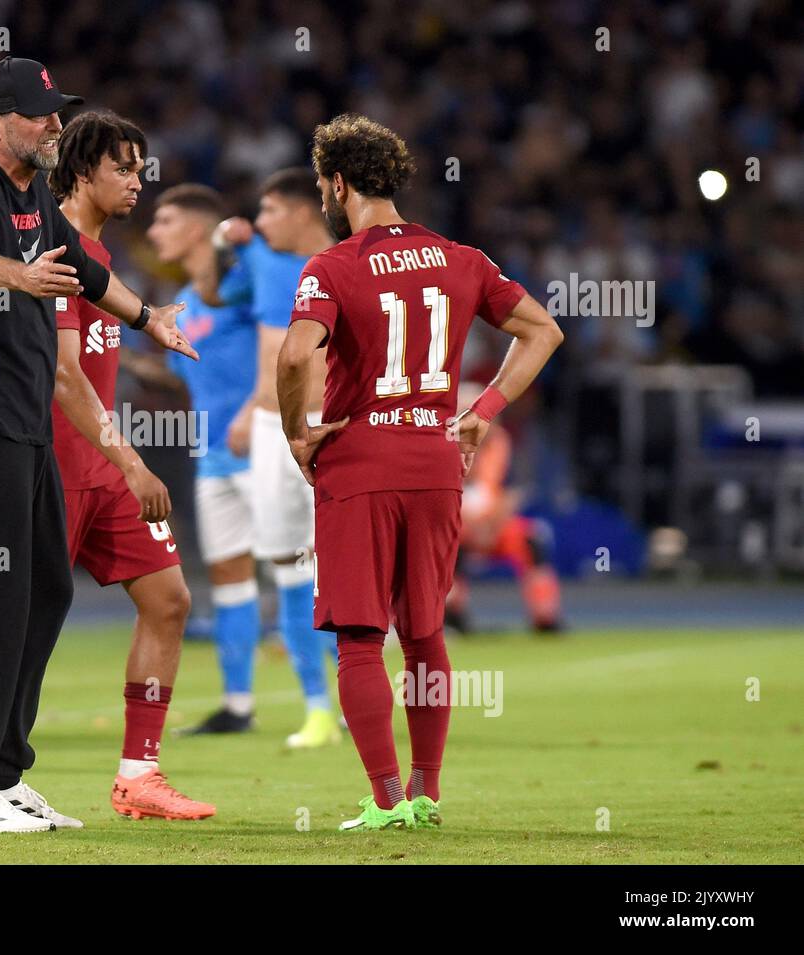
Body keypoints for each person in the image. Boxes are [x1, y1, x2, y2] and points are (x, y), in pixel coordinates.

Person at [0, 56, 194, 834]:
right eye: (40, 113)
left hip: (22, 426)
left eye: (55, 111)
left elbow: (77, 267)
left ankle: (4, 777)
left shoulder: (32, 190)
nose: (54, 124)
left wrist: (149, 322)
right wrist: (17, 275)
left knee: (46, 590)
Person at [276, 115, 563, 831]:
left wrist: (297, 431)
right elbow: (544, 329)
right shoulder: (462, 258)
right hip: (437, 459)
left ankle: (383, 800)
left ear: (338, 183)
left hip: (361, 457)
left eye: (321, 184)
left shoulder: (333, 266)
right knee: (426, 630)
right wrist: (485, 409)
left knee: (360, 634)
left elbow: (292, 356)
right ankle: (426, 791)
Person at [47, 110, 215, 820]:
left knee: (170, 598)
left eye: (141, 169)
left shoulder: (103, 260)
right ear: (82, 169)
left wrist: (149, 321)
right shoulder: (49, 245)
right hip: (49, 465)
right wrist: (133, 460)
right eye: (123, 167)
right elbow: (61, 375)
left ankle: (138, 775)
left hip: (101, 464)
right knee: (24, 628)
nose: (137, 182)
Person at [213, 167, 342, 749]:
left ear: (301, 212)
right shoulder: (262, 262)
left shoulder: (347, 263)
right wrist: (223, 244)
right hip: (273, 430)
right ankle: (317, 709)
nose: (260, 222)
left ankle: (352, 696)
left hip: (335, 428)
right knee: (288, 567)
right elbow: (219, 293)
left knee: (342, 569)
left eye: (268, 211)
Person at [141, 185, 262, 739]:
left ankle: (327, 705)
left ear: (196, 229)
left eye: (165, 221)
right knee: (229, 578)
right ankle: (238, 705)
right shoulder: (187, 299)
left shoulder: (239, 284)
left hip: (265, 441)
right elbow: (201, 377)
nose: (153, 232)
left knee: (299, 568)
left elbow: (280, 339)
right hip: (214, 452)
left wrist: (233, 243)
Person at [445, 382, 564, 634]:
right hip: (454, 524)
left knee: (532, 539)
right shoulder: (441, 445)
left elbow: (507, 492)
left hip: (492, 522)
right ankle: (450, 612)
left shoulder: (499, 442)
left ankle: (545, 616)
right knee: (445, 547)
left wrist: (496, 517)